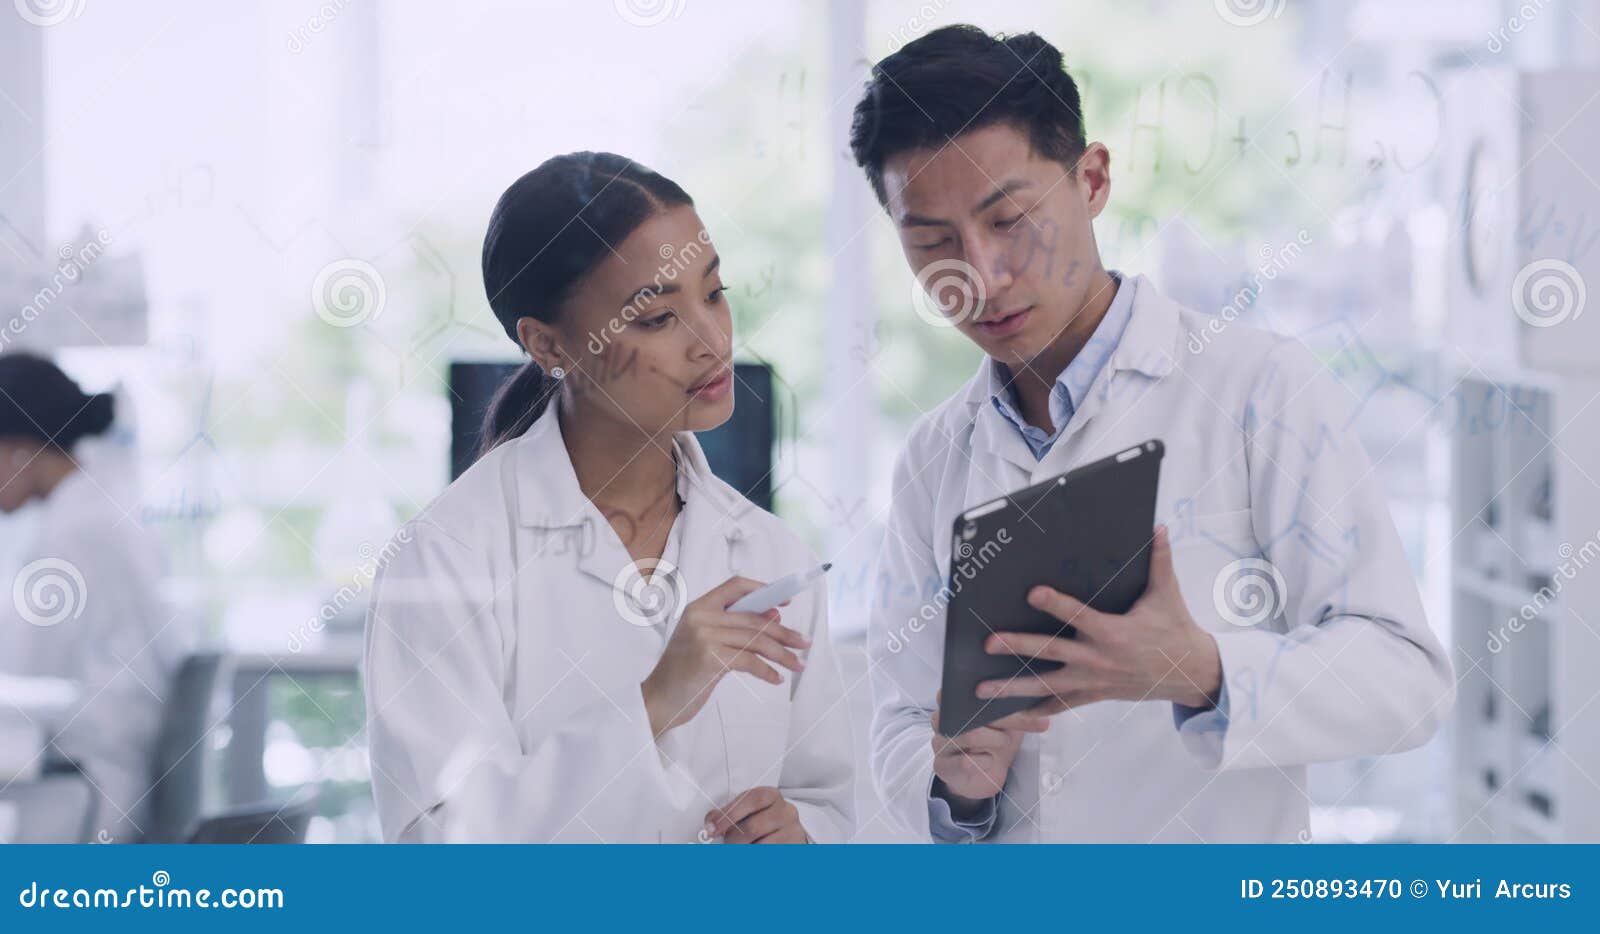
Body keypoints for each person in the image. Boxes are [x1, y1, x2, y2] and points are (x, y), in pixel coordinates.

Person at [851, 26, 1454, 843]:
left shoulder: (1258, 389)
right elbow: (895, 720)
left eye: (1011, 220)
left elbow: (1407, 680)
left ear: (1092, 179)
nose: (979, 275)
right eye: (933, 243)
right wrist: (954, 786)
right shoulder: (932, 457)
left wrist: (1200, 671)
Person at [364, 152, 854, 843]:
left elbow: (830, 800)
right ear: (547, 344)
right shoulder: (449, 556)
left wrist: (803, 839)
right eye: (655, 318)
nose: (712, 341)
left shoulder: (770, 552)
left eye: (713, 294)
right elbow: (436, 847)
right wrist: (654, 703)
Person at [0, 353, 184, 843]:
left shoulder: (77, 532)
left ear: (20, 450)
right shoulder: (97, 507)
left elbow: (25, 671)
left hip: (87, 789)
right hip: (101, 770)